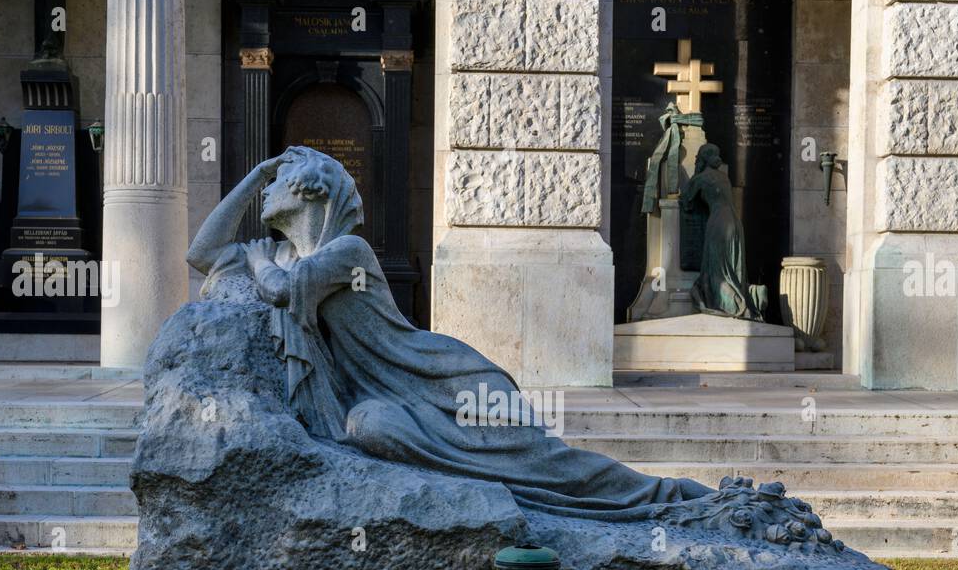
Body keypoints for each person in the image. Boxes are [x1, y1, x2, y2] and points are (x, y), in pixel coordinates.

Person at [185, 146, 716, 520]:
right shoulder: (277, 255)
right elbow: (202, 254)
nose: (266, 192)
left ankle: (667, 496)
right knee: (371, 426)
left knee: (545, 463)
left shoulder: (346, 252)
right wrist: (256, 174)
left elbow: (282, 289)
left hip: (441, 382)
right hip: (385, 404)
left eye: (276, 182)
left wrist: (256, 265)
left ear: (308, 190)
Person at [681, 144, 768, 321]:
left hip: (719, 222)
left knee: (718, 272)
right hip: (735, 222)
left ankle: (736, 305)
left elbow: (686, 201)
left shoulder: (701, 179)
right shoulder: (723, 177)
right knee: (732, 270)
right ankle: (746, 299)